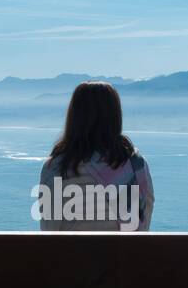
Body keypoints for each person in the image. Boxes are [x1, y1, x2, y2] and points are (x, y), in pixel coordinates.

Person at [36, 81, 154, 231]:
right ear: (115, 116)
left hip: (72, 254)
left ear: (74, 117)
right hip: (126, 254)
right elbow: (144, 223)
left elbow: (48, 230)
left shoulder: (57, 168)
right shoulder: (137, 166)